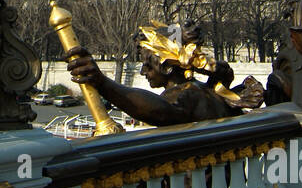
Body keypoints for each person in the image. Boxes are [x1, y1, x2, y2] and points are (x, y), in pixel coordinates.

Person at [65, 22, 263, 127]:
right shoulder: (206, 90)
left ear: (168, 68)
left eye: (147, 66)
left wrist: (102, 83)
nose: (143, 72)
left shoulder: (188, 94)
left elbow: (158, 110)